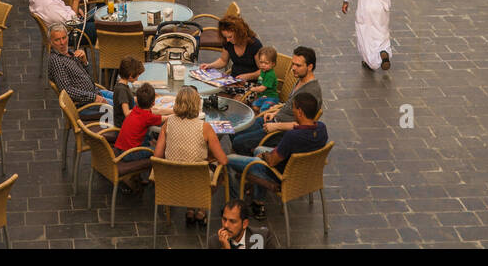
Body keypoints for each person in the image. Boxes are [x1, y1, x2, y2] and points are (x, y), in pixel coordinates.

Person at [229, 93, 328, 217]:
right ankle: (258, 201)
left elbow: (271, 162)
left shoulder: (293, 136)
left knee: (228, 159)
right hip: (304, 175)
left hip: (280, 176)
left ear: (300, 112)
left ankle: (235, 206)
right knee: (258, 149)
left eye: (294, 108)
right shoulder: (321, 129)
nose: (292, 110)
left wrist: (264, 155)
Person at [153, 86, 228, 225]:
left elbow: (157, 155)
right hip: (198, 179)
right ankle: (201, 209)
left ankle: (190, 209)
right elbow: (223, 160)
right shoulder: (204, 127)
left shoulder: (168, 123)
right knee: (220, 171)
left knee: (187, 165)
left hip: (171, 178)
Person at [228, 47, 321, 156]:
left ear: (310, 67)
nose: (293, 68)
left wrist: (277, 126)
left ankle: (250, 166)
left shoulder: (311, 92)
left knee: (239, 142)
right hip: (273, 119)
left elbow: (304, 125)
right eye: (293, 64)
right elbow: (290, 106)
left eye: (298, 65)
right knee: (233, 129)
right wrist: (275, 112)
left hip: (280, 132)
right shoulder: (301, 80)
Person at [47, 24, 112, 121]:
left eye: (64, 38)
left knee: (128, 99)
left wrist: (85, 62)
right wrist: (94, 97)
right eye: (57, 40)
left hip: (96, 93)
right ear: (51, 42)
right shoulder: (56, 60)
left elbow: (84, 78)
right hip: (85, 105)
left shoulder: (69, 53)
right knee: (124, 107)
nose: (62, 42)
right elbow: (67, 90)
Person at [113, 81, 164, 165]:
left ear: (137, 100)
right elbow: (165, 118)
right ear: (153, 103)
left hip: (120, 149)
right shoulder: (147, 117)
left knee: (148, 136)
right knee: (161, 150)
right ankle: (156, 174)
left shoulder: (134, 110)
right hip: (130, 153)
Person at [206, 15, 263, 83]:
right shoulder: (228, 42)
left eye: (230, 37)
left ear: (239, 33)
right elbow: (223, 60)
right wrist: (209, 65)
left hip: (252, 83)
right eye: (225, 37)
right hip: (234, 80)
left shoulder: (254, 45)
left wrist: (248, 76)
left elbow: (263, 70)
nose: (227, 40)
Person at [112, 55, 145, 128]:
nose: (137, 78)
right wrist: (141, 110)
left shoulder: (121, 85)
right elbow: (127, 113)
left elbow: (129, 99)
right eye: (137, 75)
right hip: (124, 126)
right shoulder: (122, 90)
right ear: (130, 76)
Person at [245, 46, 280, 112]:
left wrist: (253, 89)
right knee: (254, 106)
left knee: (263, 109)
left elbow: (262, 88)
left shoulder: (270, 75)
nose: (263, 65)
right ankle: (265, 112)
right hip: (263, 96)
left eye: (266, 63)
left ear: (273, 64)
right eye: (261, 62)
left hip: (271, 97)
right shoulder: (263, 71)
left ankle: (268, 113)